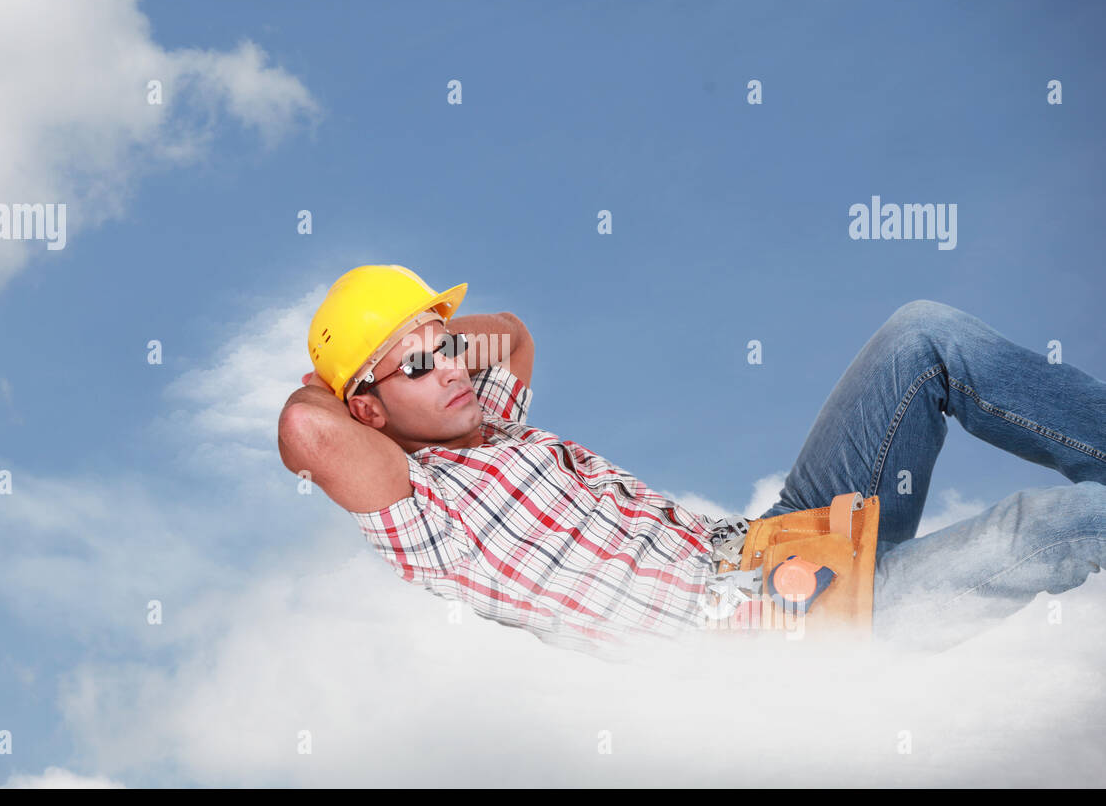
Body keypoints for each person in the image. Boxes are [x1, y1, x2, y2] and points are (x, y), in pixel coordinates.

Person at [278, 265, 1106, 658]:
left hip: (771, 539)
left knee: (923, 333)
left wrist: (411, 343)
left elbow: (516, 332)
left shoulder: (491, 422)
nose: (454, 366)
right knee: (1062, 525)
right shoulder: (424, 509)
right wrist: (347, 367)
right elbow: (304, 430)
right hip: (770, 631)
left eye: (449, 345)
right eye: (419, 365)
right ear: (365, 411)